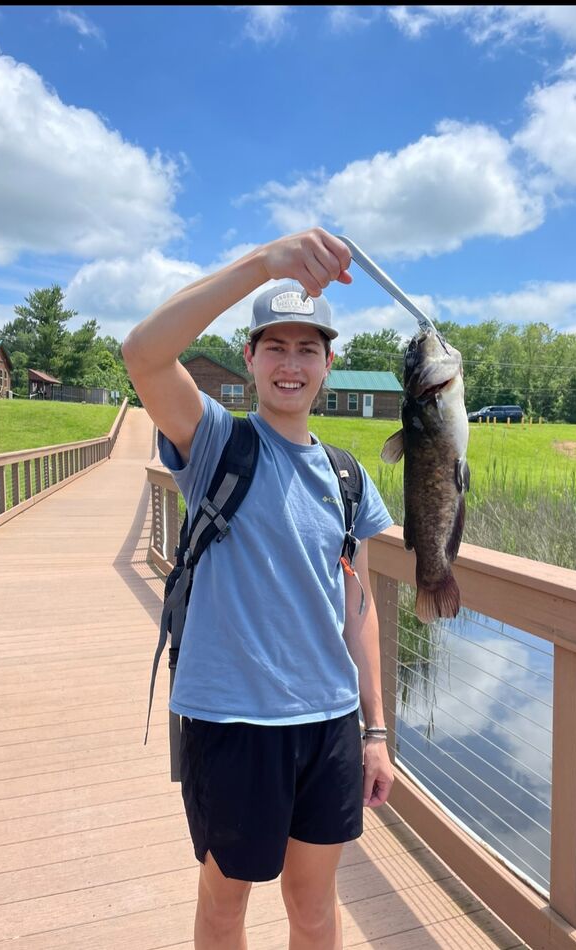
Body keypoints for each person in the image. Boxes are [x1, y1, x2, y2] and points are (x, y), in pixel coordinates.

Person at [122, 227, 395, 950]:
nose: (290, 363)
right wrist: (264, 264)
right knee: (223, 905)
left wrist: (374, 731)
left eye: (308, 348)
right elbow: (142, 353)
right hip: (231, 721)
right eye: (274, 345)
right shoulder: (215, 442)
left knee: (313, 907)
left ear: (329, 365)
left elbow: (358, 609)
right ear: (248, 358)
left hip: (328, 723)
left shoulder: (347, 477)